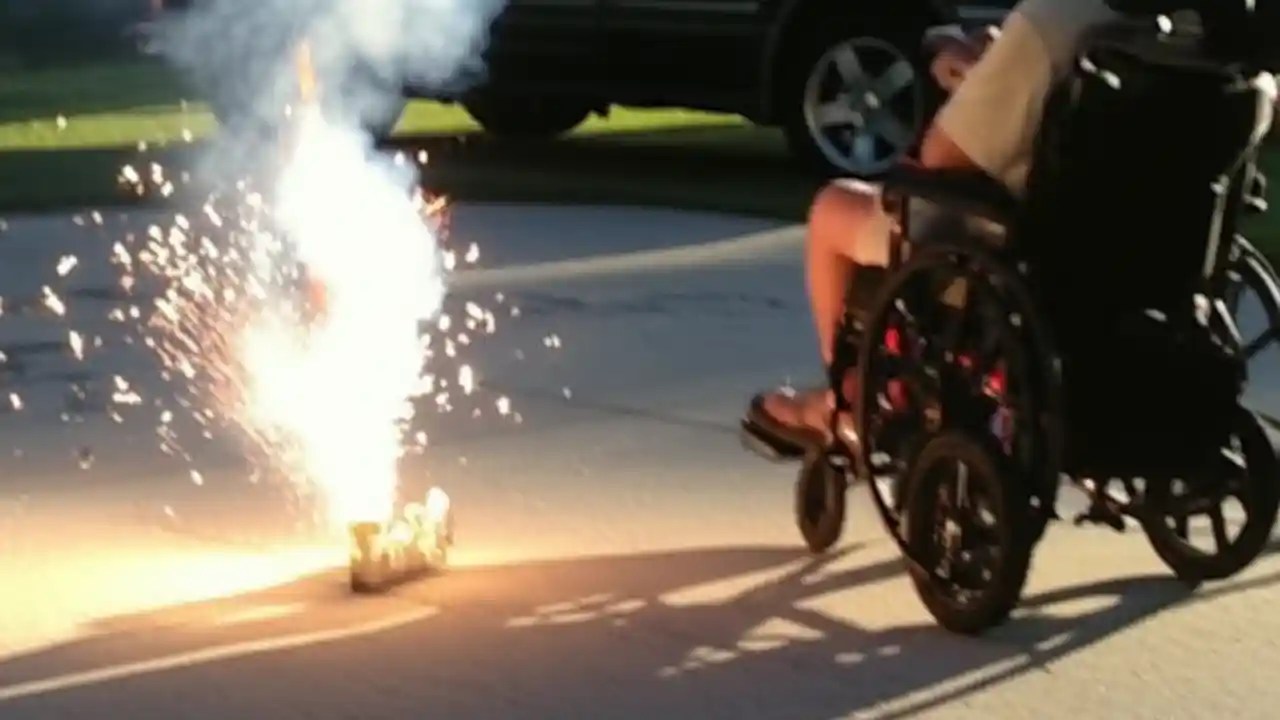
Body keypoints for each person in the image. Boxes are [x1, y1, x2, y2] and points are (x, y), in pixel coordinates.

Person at [747, 0, 1123, 447]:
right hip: (1128, 252)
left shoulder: (1055, 23)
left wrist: (965, 75)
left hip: (998, 241)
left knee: (833, 209)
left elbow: (945, 157)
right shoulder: (1189, 34)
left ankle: (850, 402)